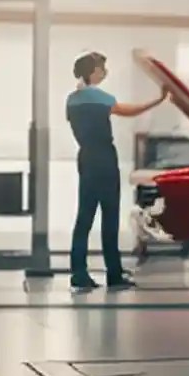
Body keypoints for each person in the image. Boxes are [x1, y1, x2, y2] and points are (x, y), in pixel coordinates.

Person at [67, 51, 168, 291]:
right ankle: (114, 273)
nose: (105, 72)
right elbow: (130, 110)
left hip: (85, 158)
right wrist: (158, 100)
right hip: (104, 158)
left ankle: (78, 272)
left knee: (84, 217)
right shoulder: (101, 98)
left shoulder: (72, 99)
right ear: (93, 71)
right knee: (109, 216)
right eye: (102, 68)